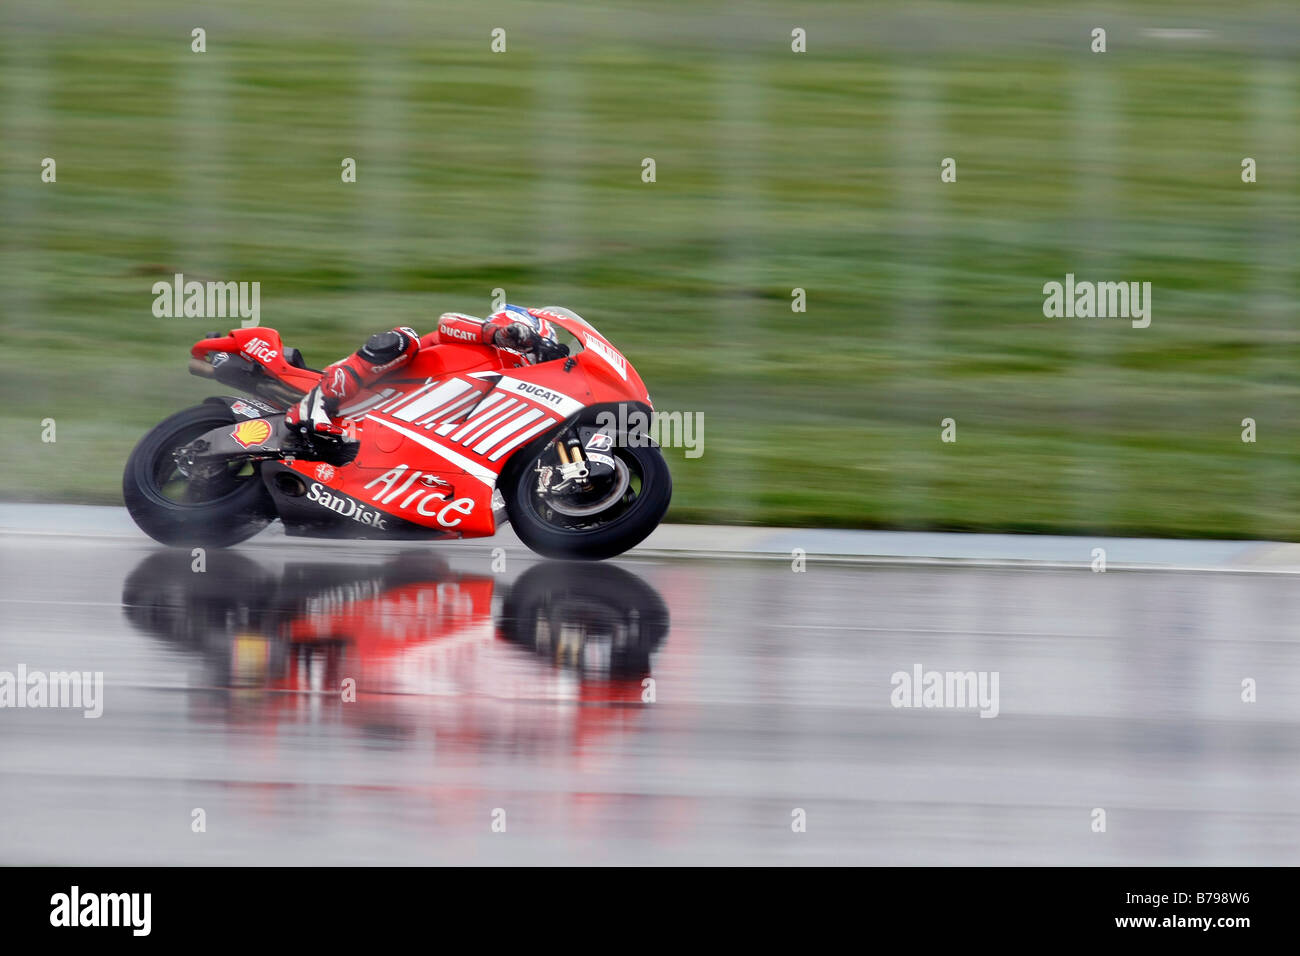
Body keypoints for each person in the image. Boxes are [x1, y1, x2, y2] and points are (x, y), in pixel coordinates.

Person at [284, 305, 568, 460]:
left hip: (394, 432)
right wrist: (501, 334)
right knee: (405, 338)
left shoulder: (508, 386)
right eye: (540, 347)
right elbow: (448, 320)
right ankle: (316, 401)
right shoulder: (484, 342)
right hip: (369, 392)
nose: (538, 358)